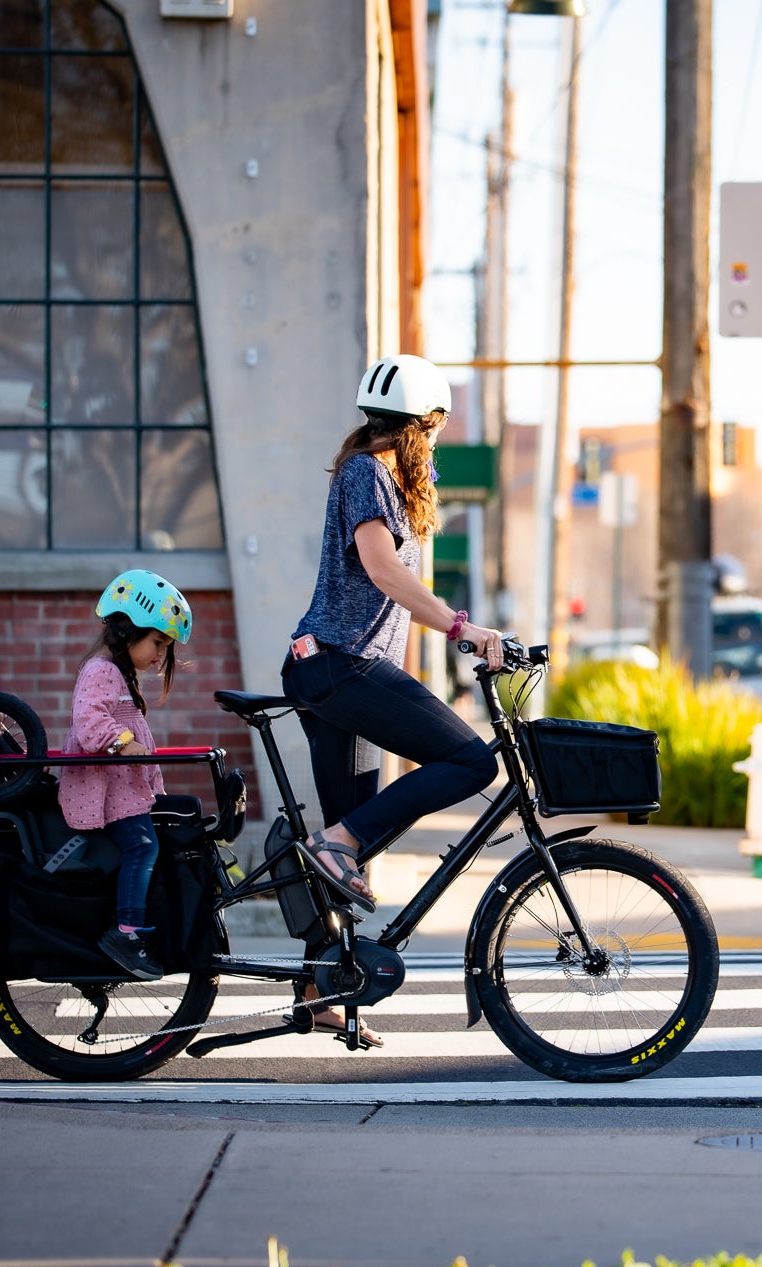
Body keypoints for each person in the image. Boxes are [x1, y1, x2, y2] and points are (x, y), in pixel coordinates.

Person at [282, 353, 505, 1046]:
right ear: (424, 424)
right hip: (339, 666)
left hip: (342, 670)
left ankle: (317, 993)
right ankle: (337, 842)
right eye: (435, 431)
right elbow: (380, 569)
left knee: (348, 847)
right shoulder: (366, 473)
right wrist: (461, 627)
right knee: (471, 761)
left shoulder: (380, 476)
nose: (436, 444)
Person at [60, 569, 194, 982]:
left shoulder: (117, 672)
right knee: (141, 847)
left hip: (123, 792)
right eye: (157, 642)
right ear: (127, 628)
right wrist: (122, 743)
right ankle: (127, 931)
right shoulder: (101, 670)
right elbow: (87, 719)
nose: (159, 655)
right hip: (109, 795)